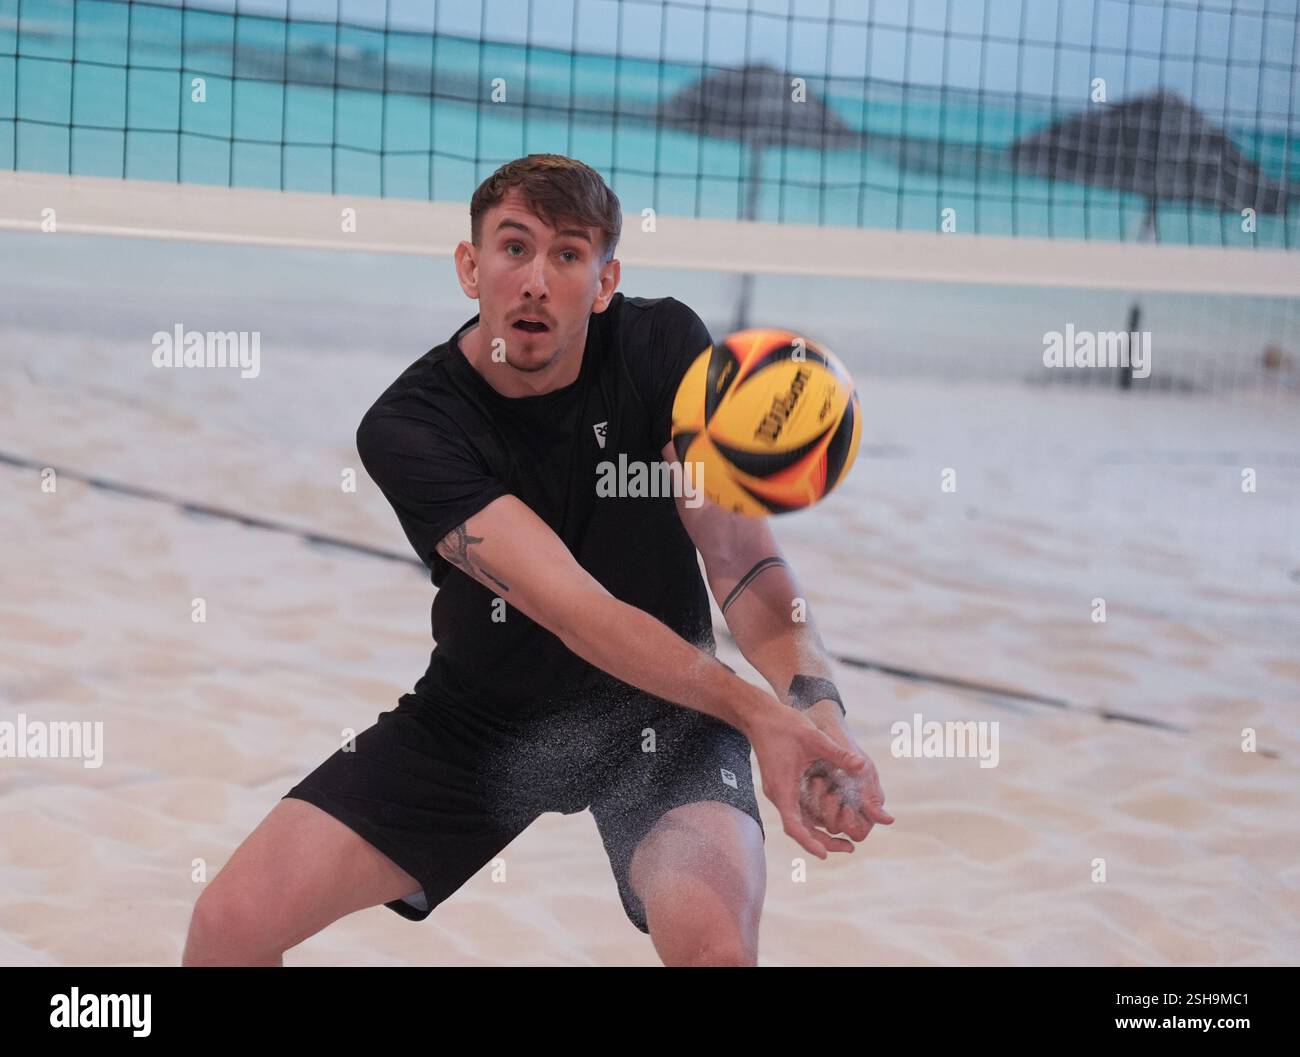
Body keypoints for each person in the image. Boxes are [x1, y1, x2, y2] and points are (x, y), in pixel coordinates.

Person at [182, 153, 893, 968]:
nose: (535, 280)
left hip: (668, 721)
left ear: (604, 280)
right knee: (228, 926)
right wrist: (764, 716)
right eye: (514, 247)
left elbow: (740, 559)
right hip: (480, 723)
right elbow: (574, 609)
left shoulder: (663, 347)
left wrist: (818, 713)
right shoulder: (412, 426)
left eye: (567, 254)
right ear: (469, 266)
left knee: (714, 952)